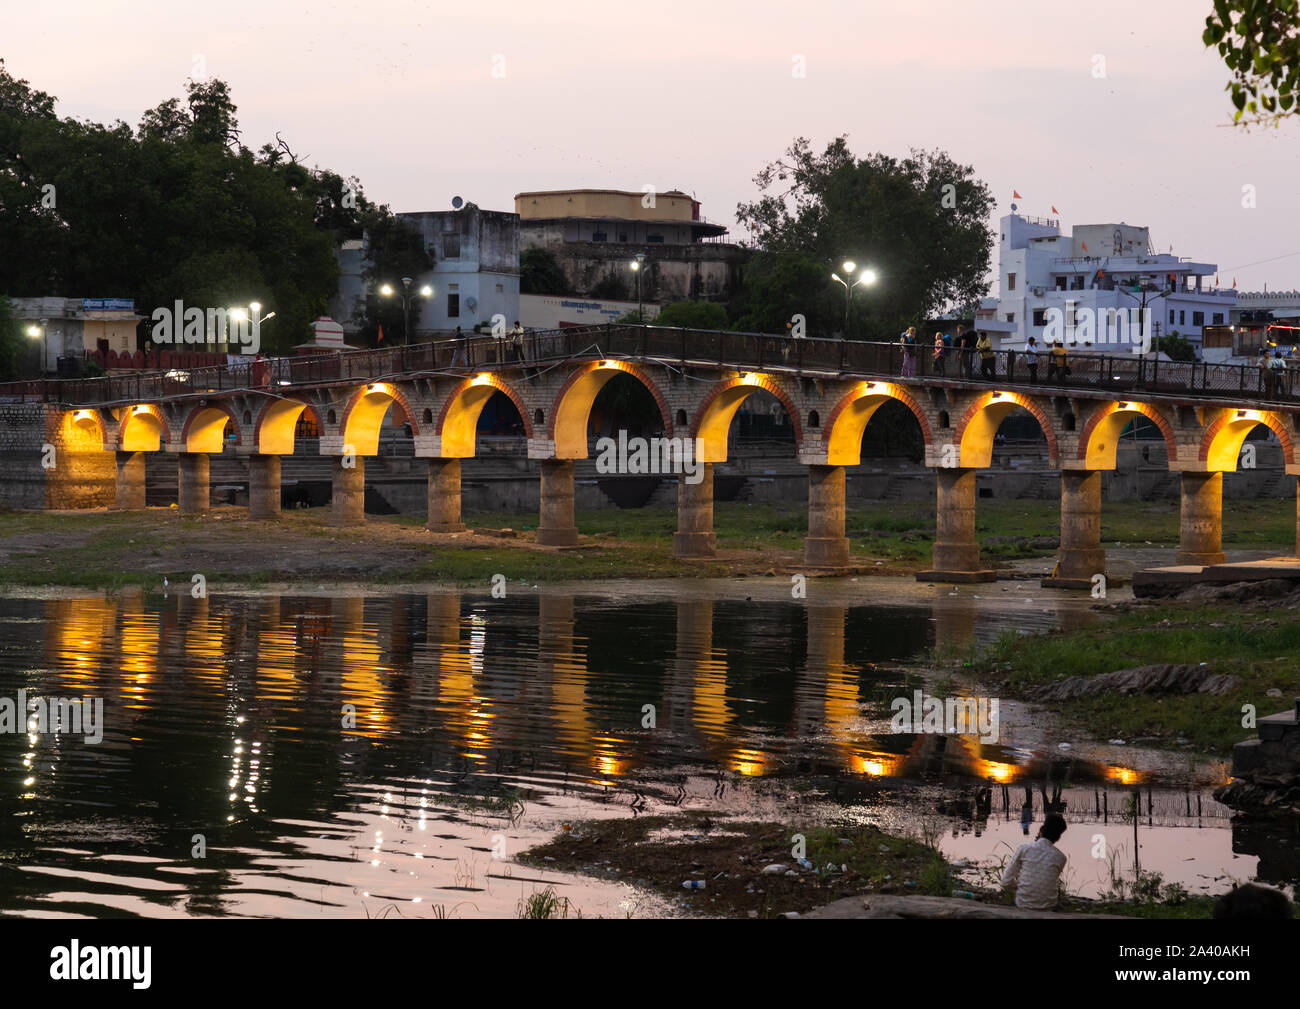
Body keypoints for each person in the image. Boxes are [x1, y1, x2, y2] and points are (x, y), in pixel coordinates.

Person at [1000, 812, 1067, 910]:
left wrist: (1019, 888)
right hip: (1048, 908)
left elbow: (1005, 882)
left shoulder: (1024, 849)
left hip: (1022, 904)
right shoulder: (1061, 857)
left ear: (1041, 831)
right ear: (1058, 837)